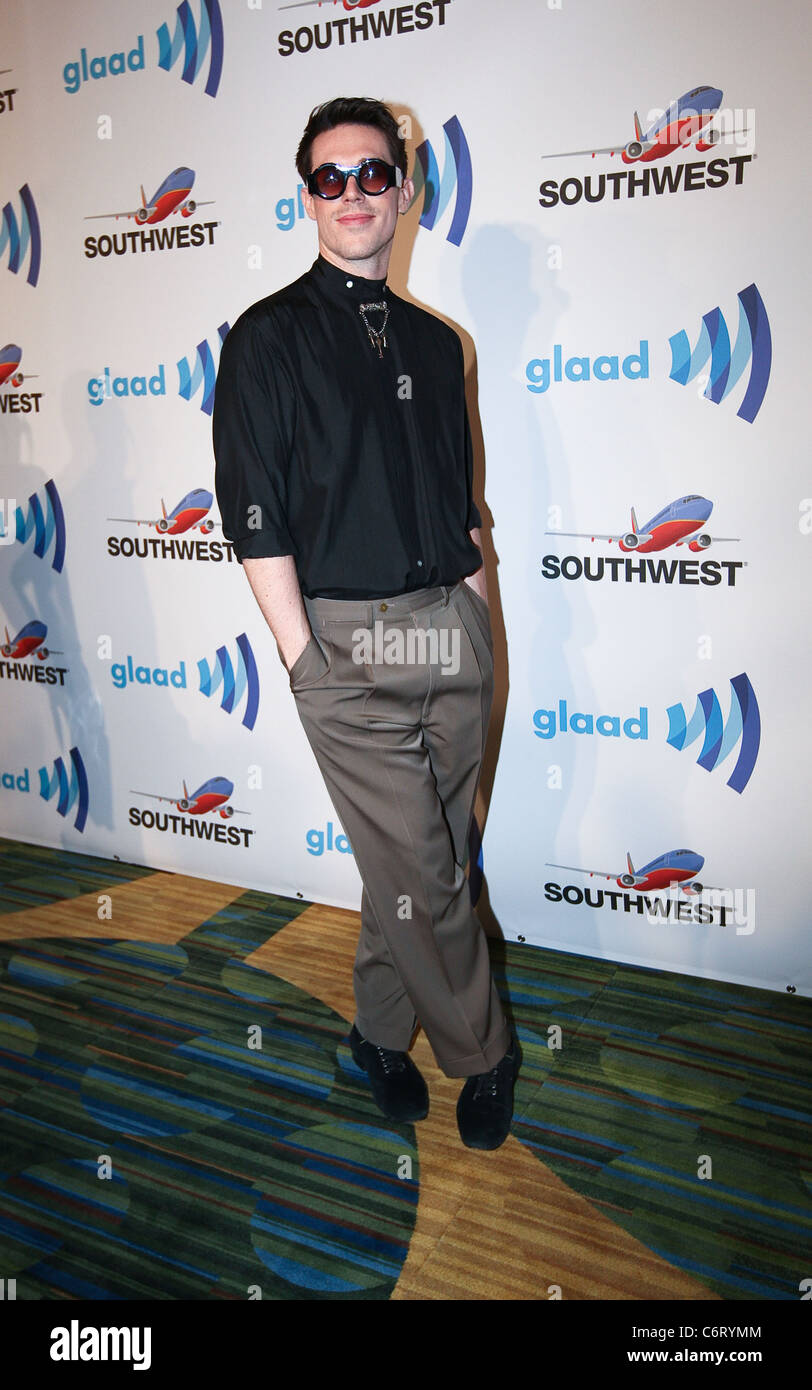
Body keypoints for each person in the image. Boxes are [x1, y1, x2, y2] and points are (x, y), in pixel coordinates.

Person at [213, 97, 520, 1149]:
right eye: (331, 176)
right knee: (428, 875)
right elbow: (254, 521)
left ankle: (378, 1037)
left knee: (420, 858)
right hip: (347, 647)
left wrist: (481, 633)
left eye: (373, 174)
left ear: (404, 191)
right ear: (307, 196)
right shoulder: (265, 339)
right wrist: (305, 664)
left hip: (452, 628)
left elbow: (460, 509)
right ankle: (485, 1054)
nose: (353, 193)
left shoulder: (442, 348)